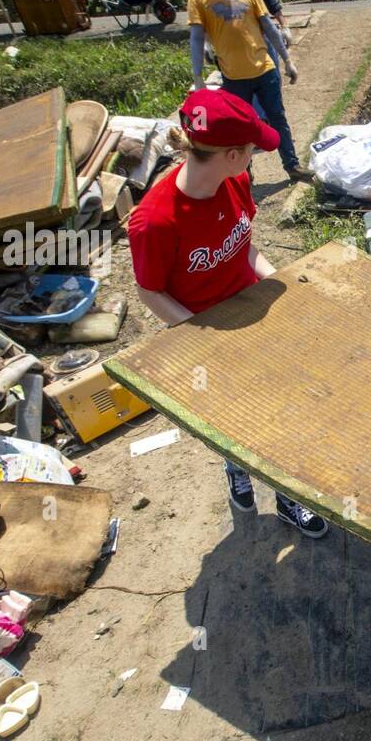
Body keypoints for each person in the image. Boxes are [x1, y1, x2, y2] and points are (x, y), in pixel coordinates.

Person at [127, 87, 329, 539]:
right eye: (254, 147)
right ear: (233, 154)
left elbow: (245, 245)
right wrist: (201, 335)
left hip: (253, 316)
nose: (258, 153)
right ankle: (236, 468)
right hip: (204, 333)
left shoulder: (234, 181)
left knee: (281, 413)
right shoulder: (155, 220)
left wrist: (280, 282)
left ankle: (288, 498)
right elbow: (149, 291)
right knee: (232, 421)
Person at [187, 0, 312, 183]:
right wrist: (197, 77)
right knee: (240, 129)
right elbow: (195, 37)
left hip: (264, 69)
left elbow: (268, 26)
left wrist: (287, 60)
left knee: (278, 119)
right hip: (233, 77)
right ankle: (244, 175)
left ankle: (293, 166)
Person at [196, 0, 298, 84]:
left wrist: (283, 24)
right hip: (230, 42)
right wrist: (207, 42)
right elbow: (206, 4)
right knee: (241, 93)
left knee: (272, 80)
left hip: (260, 33)